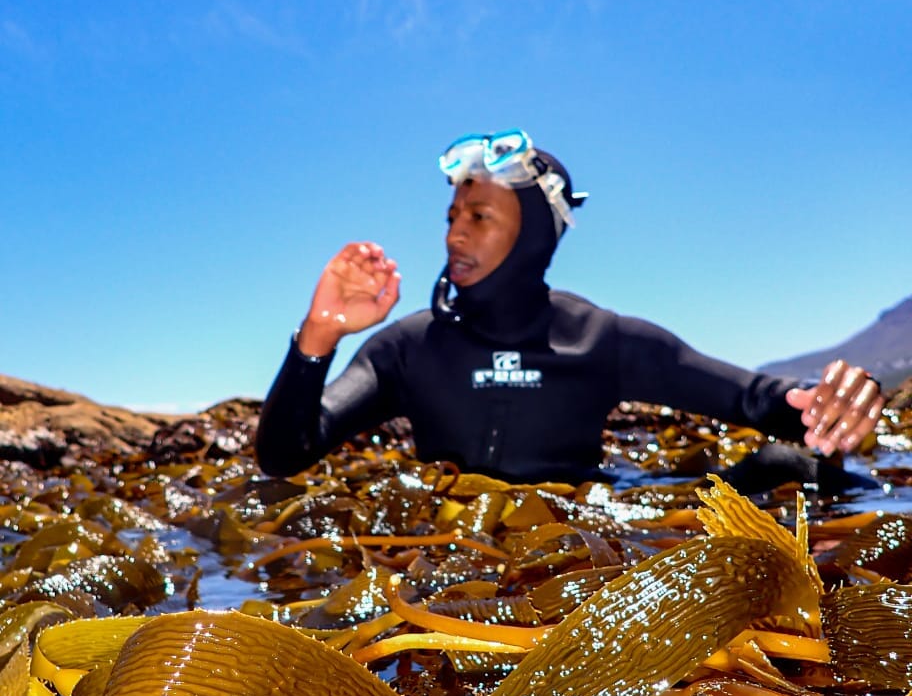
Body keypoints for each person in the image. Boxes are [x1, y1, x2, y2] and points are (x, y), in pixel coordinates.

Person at [256, 130, 884, 486]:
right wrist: (319, 336)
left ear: (534, 233)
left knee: (792, 468)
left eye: (479, 217)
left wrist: (837, 397)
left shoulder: (598, 339)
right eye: (451, 216)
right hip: (447, 559)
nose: (454, 235)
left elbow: (761, 403)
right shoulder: (408, 347)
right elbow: (287, 454)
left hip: (587, 540)